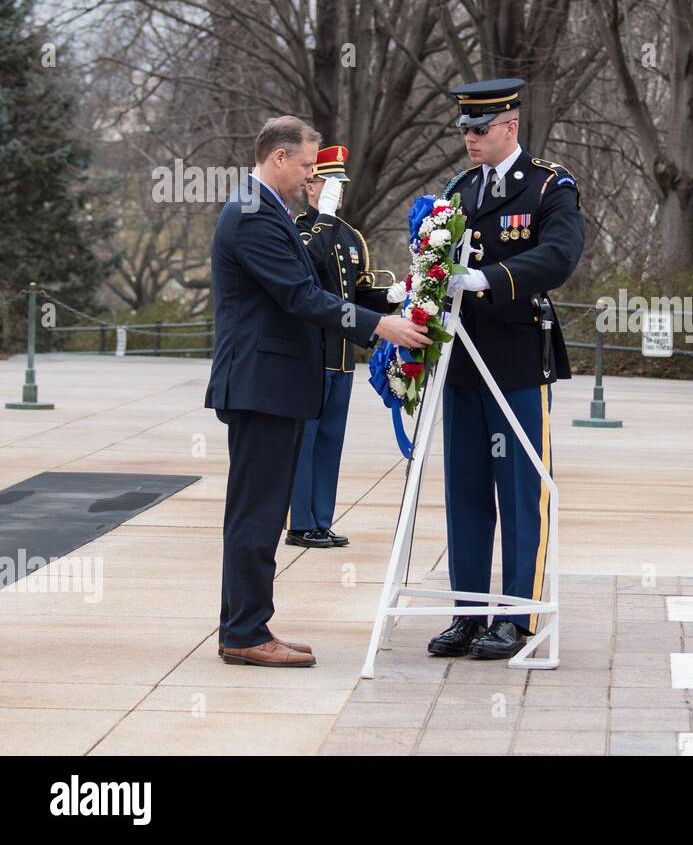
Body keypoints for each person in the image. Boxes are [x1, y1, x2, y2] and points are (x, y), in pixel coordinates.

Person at [205, 116, 431, 668]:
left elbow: (321, 291)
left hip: (272, 384)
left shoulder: (269, 211)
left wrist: (398, 303)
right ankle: (245, 633)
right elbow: (301, 297)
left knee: (258, 512)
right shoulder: (255, 215)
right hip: (262, 385)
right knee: (257, 515)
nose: (313, 176)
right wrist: (382, 327)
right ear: (278, 158)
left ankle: (247, 625)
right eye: (307, 165)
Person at [425, 78, 585, 660]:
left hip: (516, 357)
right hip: (463, 357)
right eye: (464, 128)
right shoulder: (460, 190)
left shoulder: (548, 186)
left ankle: (519, 615)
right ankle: (468, 610)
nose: (469, 138)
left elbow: (559, 254)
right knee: (465, 489)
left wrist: (489, 278)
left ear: (510, 126)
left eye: (480, 128)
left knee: (521, 490)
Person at [288, 145, 399, 549]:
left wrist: (394, 297)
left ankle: (322, 519)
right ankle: (300, 523)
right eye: (327, 183)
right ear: (309, 185)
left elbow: (358, 291)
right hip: (310, 354)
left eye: (339, 184)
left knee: (331, 440)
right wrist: (326, 218)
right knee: (307, 441)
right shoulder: (300, 228)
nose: (336, 190)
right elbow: (306, 267)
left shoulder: (351, 236)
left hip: (341, 355)